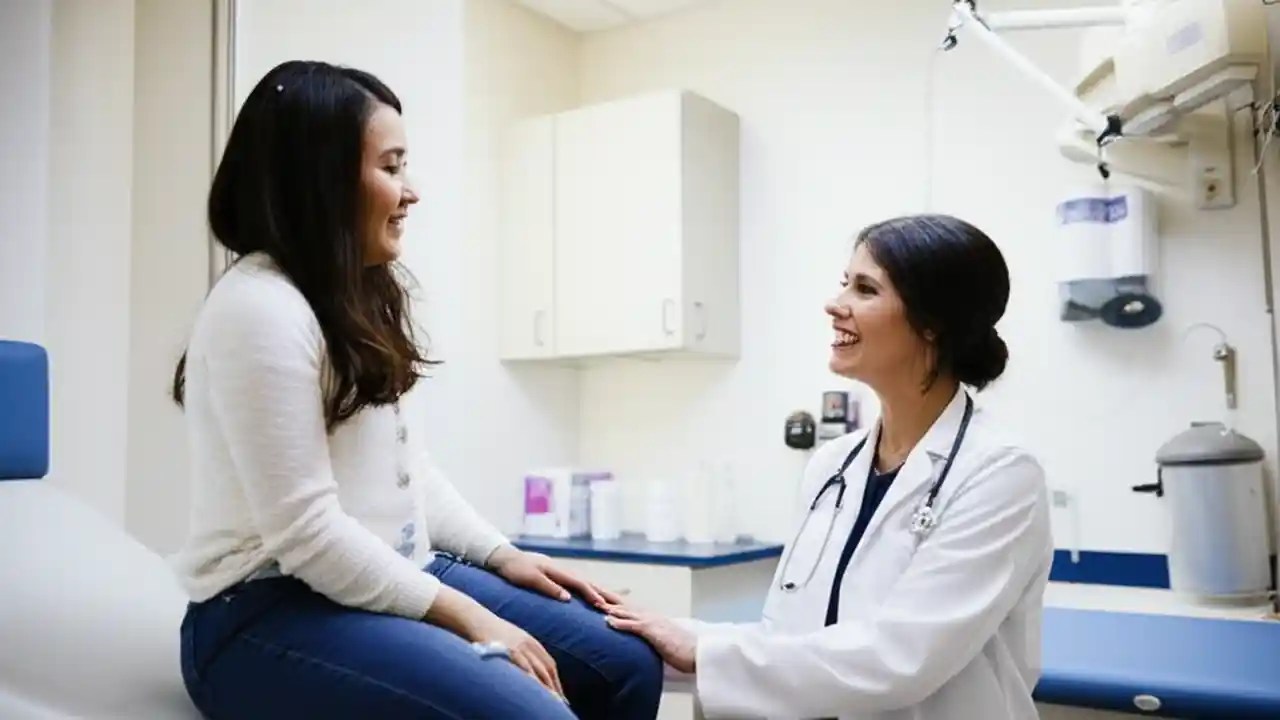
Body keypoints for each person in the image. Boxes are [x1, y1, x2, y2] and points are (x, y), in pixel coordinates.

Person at [169, 60, 662, 720]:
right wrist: (473, 618)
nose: (412, 191)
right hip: (263, 612)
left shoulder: (358, 293)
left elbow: (409, 476)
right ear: (323, 178)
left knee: (624, 663)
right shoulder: (260, 309)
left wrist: (504, 556)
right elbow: (309, 535)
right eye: (392, 167)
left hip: (392, 571)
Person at [606, 214, 1053, 720]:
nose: (834, 304)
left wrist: (704, 653)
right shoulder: (832, 467)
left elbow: (901, 657)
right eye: (846, 283)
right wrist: (674, 635)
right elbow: (794, 637)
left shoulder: (1000, 472)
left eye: (865, 288)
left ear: (932, 322)